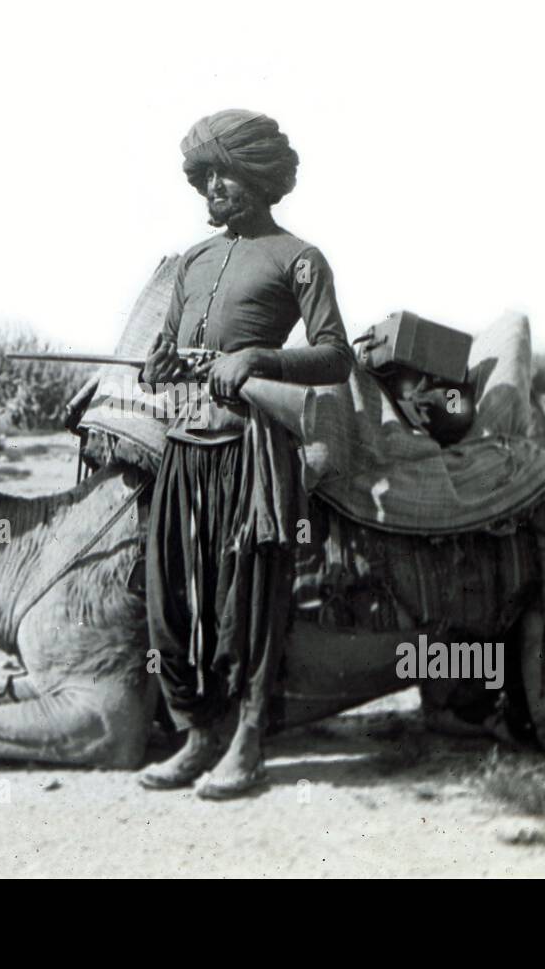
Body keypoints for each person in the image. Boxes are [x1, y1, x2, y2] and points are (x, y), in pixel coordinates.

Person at [139, 109, 353, 799]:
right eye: (204, 177)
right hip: (184, 450)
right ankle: (198, 733)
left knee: (252, 601)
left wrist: (260, 358)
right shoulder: (193, 262)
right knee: (172, 597)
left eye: (224, 175)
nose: (212, 189)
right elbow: (170, 357)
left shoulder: (300, 258)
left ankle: (250, 739)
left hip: (254, 451)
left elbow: (336, 356)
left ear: (259, 178)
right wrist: (160, 369)